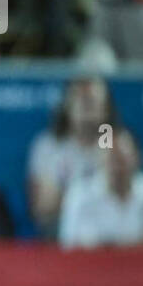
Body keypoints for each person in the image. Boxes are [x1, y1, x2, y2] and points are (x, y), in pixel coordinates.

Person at [26, 75, 115, 237]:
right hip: (62, 227)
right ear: (67, 105)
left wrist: (69, 193)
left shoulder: (110, 139)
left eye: (92, 100)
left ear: (105, 107)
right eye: (81, 99)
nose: (86, 106)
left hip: (108, 228)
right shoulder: (49, 144)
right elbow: (43, 206)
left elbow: (119, 196)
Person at [59, 128, 143, 249]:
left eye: (122, 160)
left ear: (136, 157)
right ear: (99, 159)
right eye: (111, 159)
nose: (117, 167)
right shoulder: (80, 195)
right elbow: (68, 247)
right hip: (92, 266)